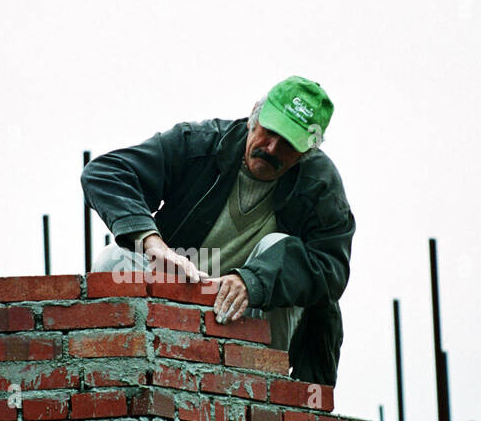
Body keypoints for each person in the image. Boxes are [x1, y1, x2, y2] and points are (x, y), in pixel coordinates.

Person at [81, 76, 354, 386]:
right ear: (254, 116)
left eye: (289, 143)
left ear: (308, 150)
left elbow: (331, 269)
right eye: (269, 131)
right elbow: (105, 173)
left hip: (253, 320)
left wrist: (252, 282)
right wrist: (153, 244)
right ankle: (126, 375)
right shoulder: (200, 144)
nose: (271, 148)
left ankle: (260, 387)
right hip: (182, 302)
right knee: (113, 260)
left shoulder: (320, 186)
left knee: (282, 248)